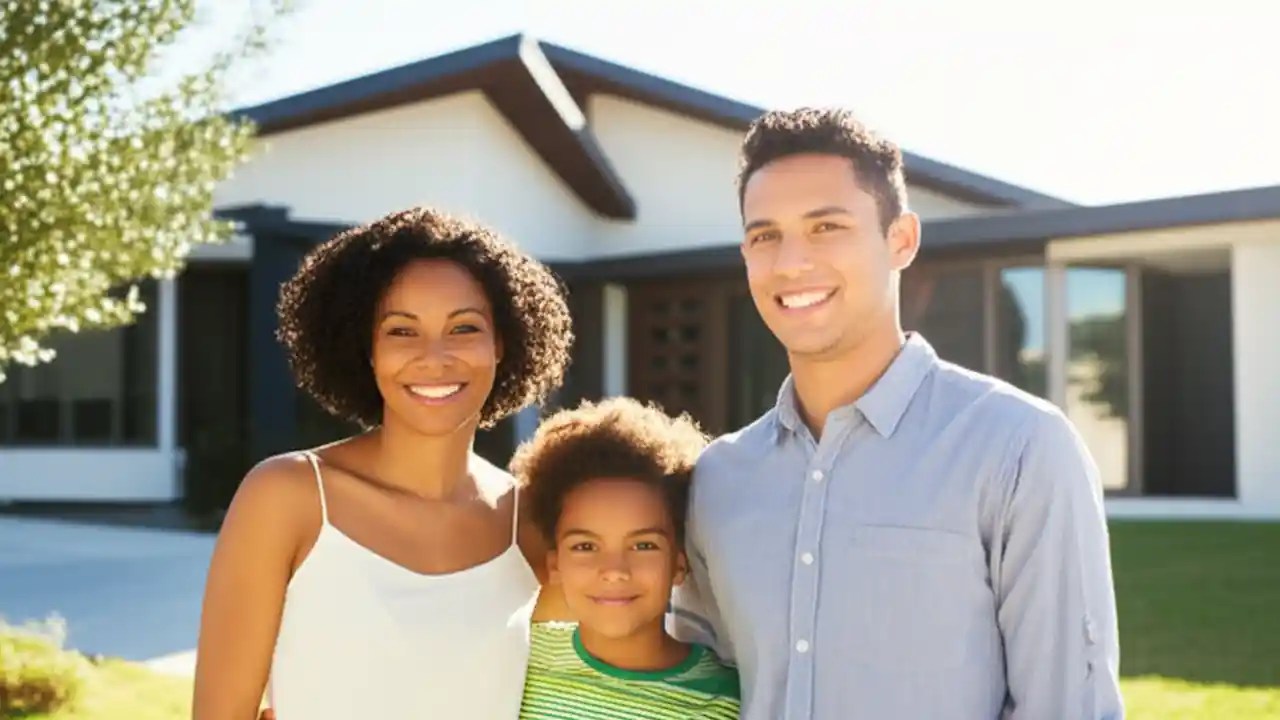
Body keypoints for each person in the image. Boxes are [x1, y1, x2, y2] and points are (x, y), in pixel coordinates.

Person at [670, 108, 1125, 719]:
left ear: (901, 240)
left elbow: (1069, 707)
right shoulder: (719, 478)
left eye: (826, 226)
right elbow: (697, 693)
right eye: (765, 235)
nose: (790, 262)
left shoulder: (1020, 448)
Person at [193, 207, 574, 719]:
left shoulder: (529, 522)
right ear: (366, 348)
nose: (434, 356)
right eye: (401, 331)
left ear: (501, 343)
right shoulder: (289, 496)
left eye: (464, 328)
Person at [511, 397, 741, 719]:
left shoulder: (721, 699)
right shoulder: (518, 659)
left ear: (679, 564)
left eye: (643, 545)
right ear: (555, 566)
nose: (614, 571)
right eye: (586, 547)